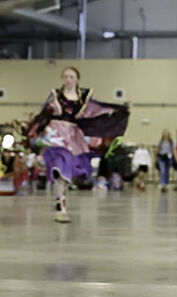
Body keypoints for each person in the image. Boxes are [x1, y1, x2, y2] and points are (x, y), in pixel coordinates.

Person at [28, 65, 129, 224]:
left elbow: (98, 110)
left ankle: (60, 199)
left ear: (77, 79)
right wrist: (35, 130)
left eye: (72, 77)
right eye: (66, 76)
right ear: (62, 79)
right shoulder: (55, 96)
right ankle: (61, 206)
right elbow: (43, 115)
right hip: (56, 135)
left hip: (73, 136)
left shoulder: (84, 98)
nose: (68, 79)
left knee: (66, 171)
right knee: (59, 166)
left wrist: (119, 109)